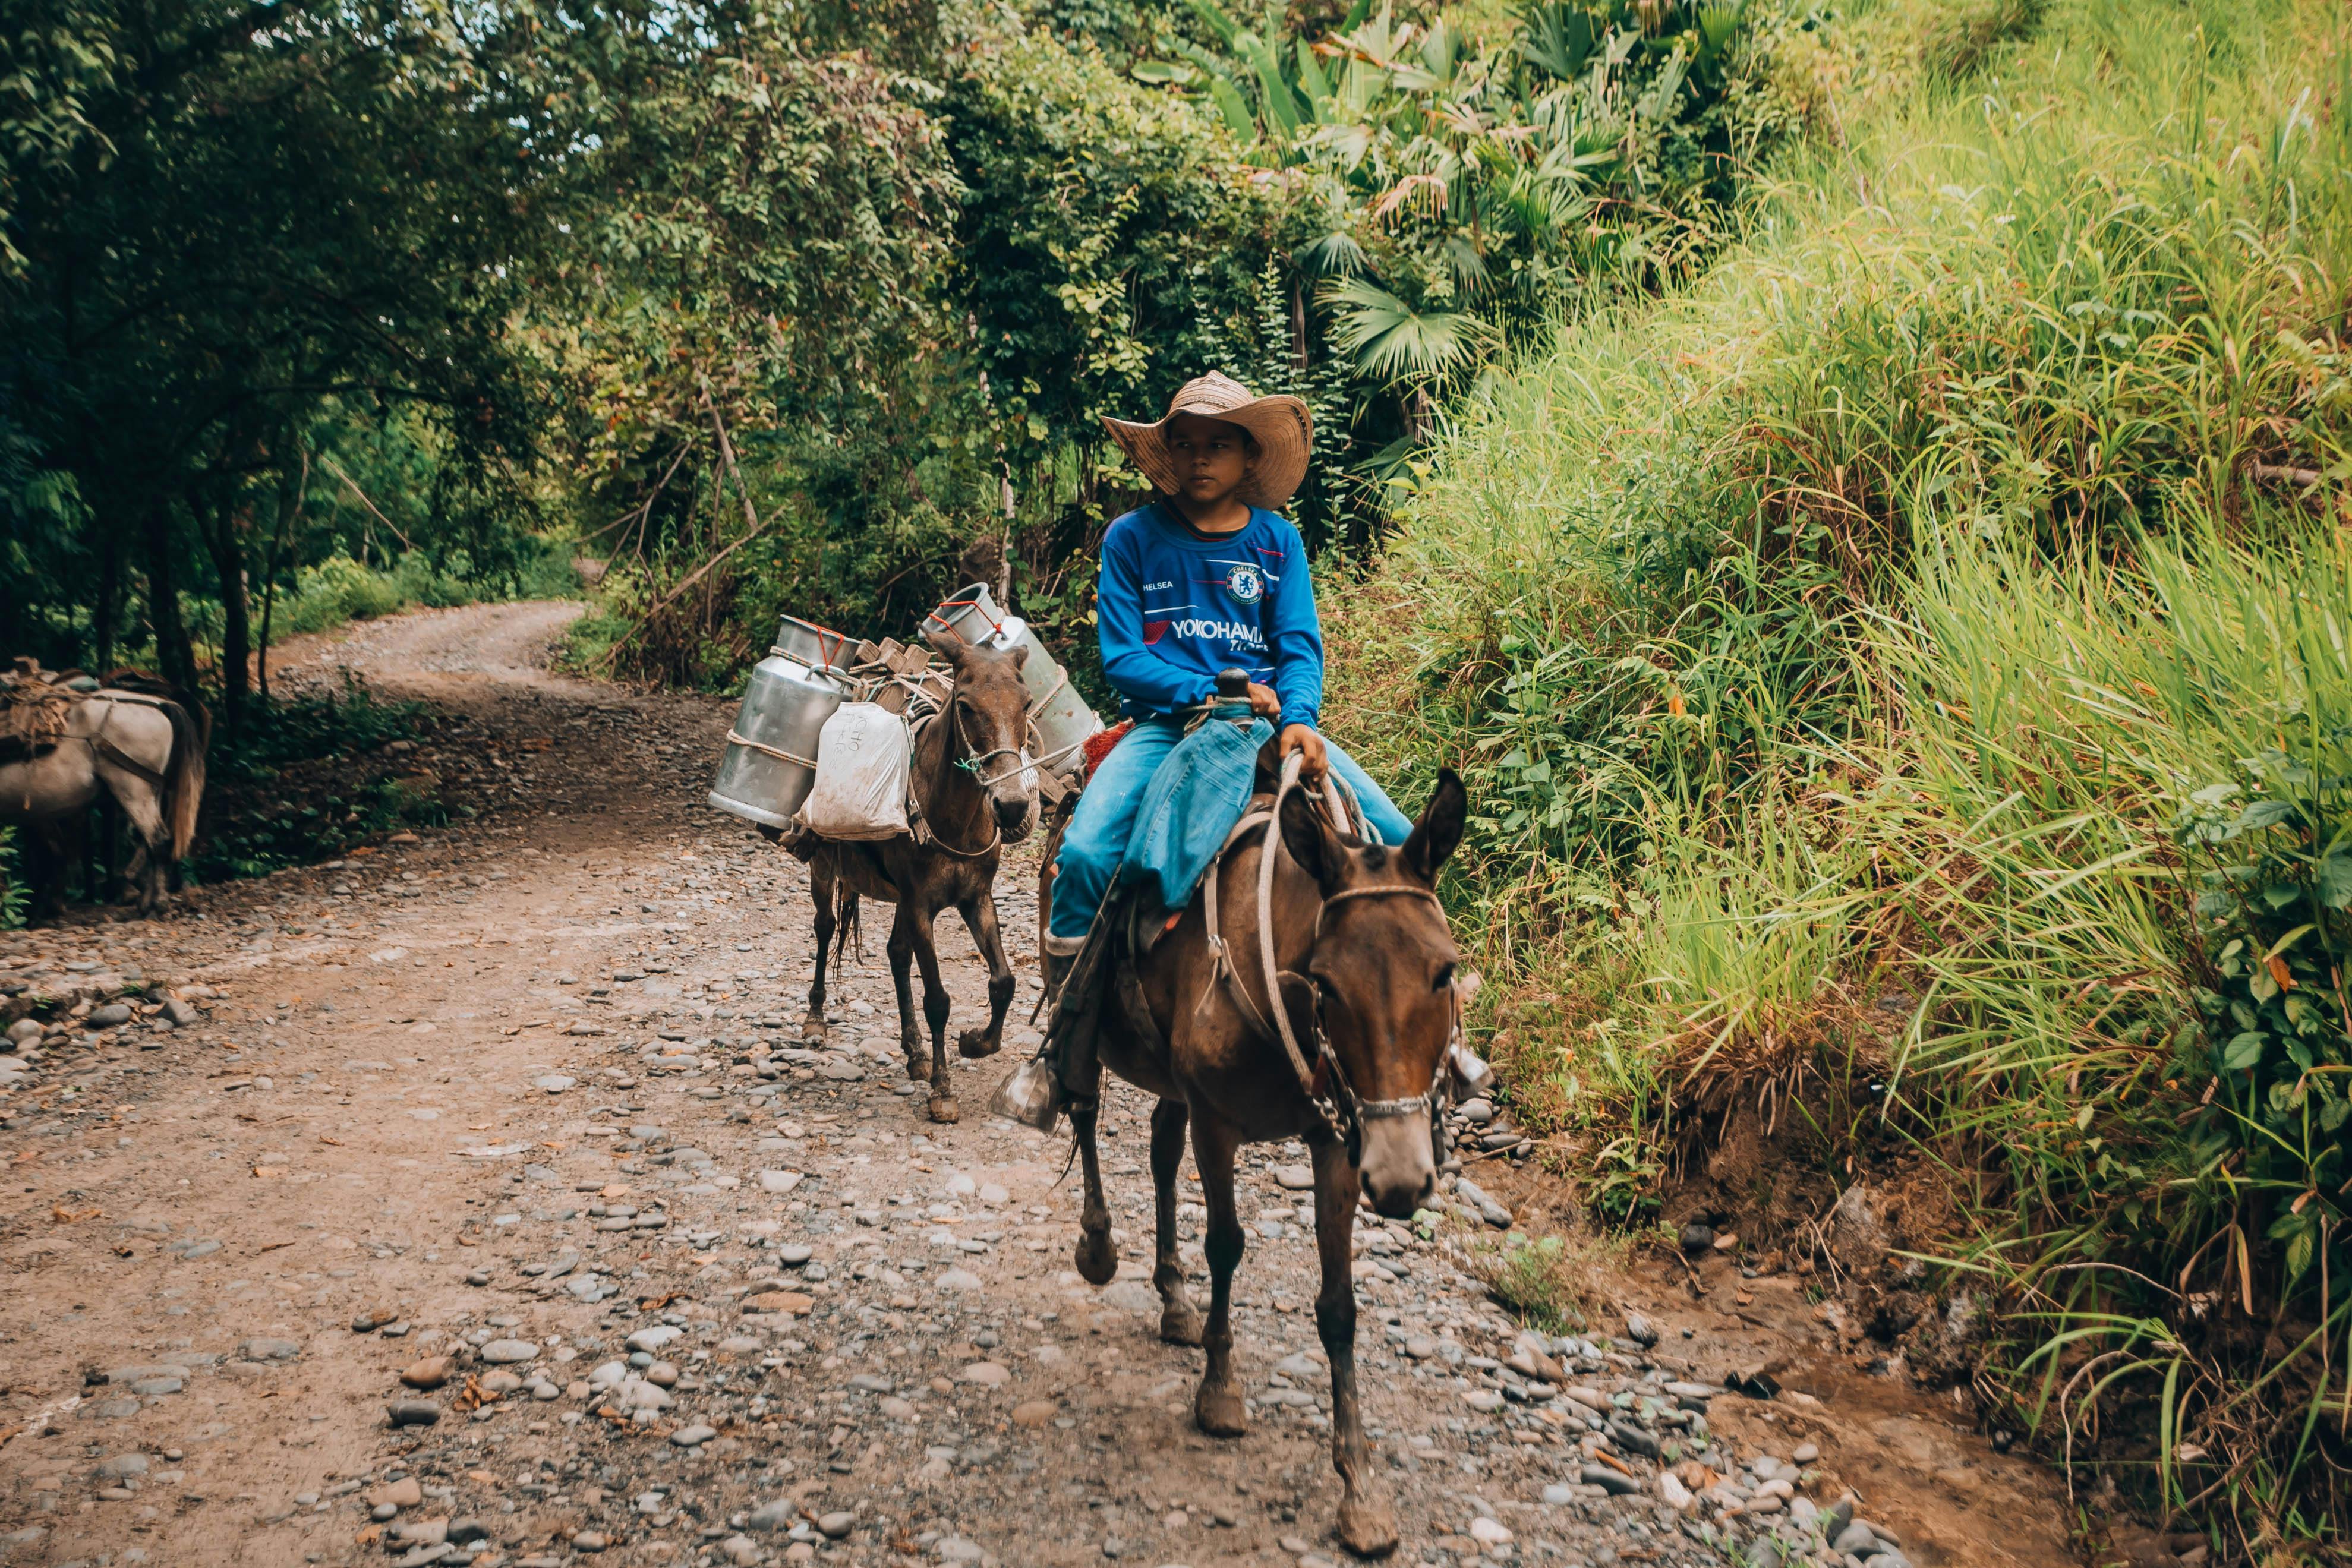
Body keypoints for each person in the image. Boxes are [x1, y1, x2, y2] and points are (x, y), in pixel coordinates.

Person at [1041, 371, 1414, 998]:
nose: (1200, 456)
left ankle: (1433, 1018)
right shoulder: (1131, 537)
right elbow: (1124, 659)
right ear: (1168, 453)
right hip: (1166, 728)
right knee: (1081, 855)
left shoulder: (1276, 540)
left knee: (1399, 841)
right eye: (1184, 443)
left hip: (1270, 728)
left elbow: (1298, 646)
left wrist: (1299, 718)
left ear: (1248, 456)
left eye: (1218, 444)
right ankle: (1066, 1034)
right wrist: (1213, 688)